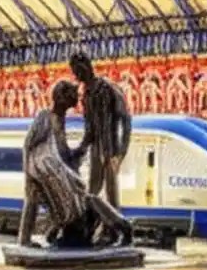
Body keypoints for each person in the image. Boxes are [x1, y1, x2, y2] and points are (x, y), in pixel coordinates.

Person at [18, 80, 130, 248]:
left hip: (60, 179)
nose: (77, 99)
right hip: (43, 174)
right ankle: (124, 228)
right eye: (73, 95)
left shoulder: (61, 121)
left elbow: (65, 157)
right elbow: (29, 146)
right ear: (62, 97)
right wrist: (30, 175)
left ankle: (122, 228)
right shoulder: (45, 117)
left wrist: (83, 145)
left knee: (84, 202)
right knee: (35, 200)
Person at [70, 51, 132, 210]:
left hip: (111, 149)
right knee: (92, 192)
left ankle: (114, 229)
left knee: (111, 196)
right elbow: (89, 129)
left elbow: (125, 120)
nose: (76, 76)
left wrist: (120, 153)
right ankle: (91, 227)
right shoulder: (86, 95)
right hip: (96, 149)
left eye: (77, 71)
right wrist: (80, 150)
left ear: (86, 68)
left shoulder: (109, 88)